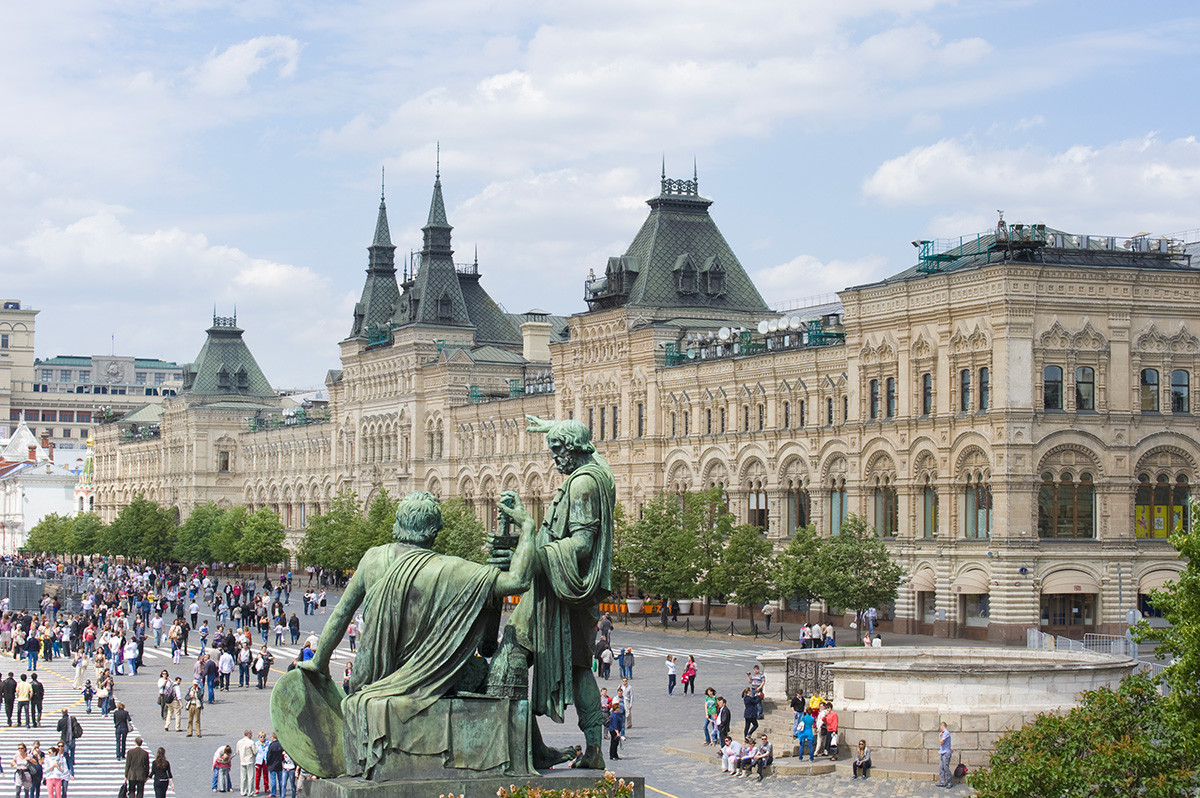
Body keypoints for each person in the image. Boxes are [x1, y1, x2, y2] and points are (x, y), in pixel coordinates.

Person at [301, 490, 539, 777]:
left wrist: (319, 662)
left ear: (396, 526)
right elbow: (518, 581)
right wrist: (527, 527)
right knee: (484, 670)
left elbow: (341, 615)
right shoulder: (450, 568)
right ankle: (519, 750)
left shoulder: (372, 558)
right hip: (430, 679)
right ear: (434, 531)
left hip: (374, 677)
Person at [483, 418, 616, 770]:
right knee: (578, 667)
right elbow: (594, 449)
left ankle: (518, 751)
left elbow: (583, 543)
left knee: (506, 660)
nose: (554, 456)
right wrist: (554, 426)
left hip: (557, 591)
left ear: (574, 448)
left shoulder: (584, 484)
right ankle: (592, 749)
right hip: (563, 589)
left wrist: (532, 557)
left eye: (558, 448)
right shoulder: (599, 471)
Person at [236, 729, 256, 796]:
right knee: (250, 777)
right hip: (250, 761)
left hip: (242, 761)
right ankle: (250, 792)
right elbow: (255, 752)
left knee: (243, 777)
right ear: (249, 734)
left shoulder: (239, 742)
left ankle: (243, 791)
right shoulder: (251, 742)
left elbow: (238, 751)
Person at [266, 733, 284, 797]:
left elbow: (269, 755)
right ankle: (282, 792)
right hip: (279, 764)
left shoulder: (272, 745)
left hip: (272, 765)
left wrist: (268, 763)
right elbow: (282, 755)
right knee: (281, 780)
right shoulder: (280, 744)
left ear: (273, 738)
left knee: (273, 780)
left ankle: (273, 793)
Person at [937, 721, 953, 788]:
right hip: (943, 752)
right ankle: (942, 782)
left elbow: (941, 742)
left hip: (946, 754)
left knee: (946, 768)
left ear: (942, 726)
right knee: (941, 767)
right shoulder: (944, 733)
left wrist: (939, 737)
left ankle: (950, 782)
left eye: (940, 727)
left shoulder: (946, 733)